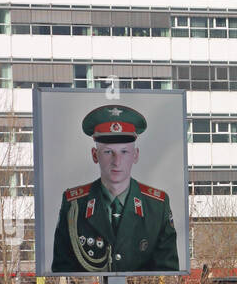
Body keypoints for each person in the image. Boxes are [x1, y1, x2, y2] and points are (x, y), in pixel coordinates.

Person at [50, 104, 180, 273]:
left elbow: (168, 273)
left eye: (124, 152)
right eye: (108, 152)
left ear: (135, 155)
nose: (116, 161)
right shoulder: (74, 205)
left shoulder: (156, 205)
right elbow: (62, 270)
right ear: (95, 155)